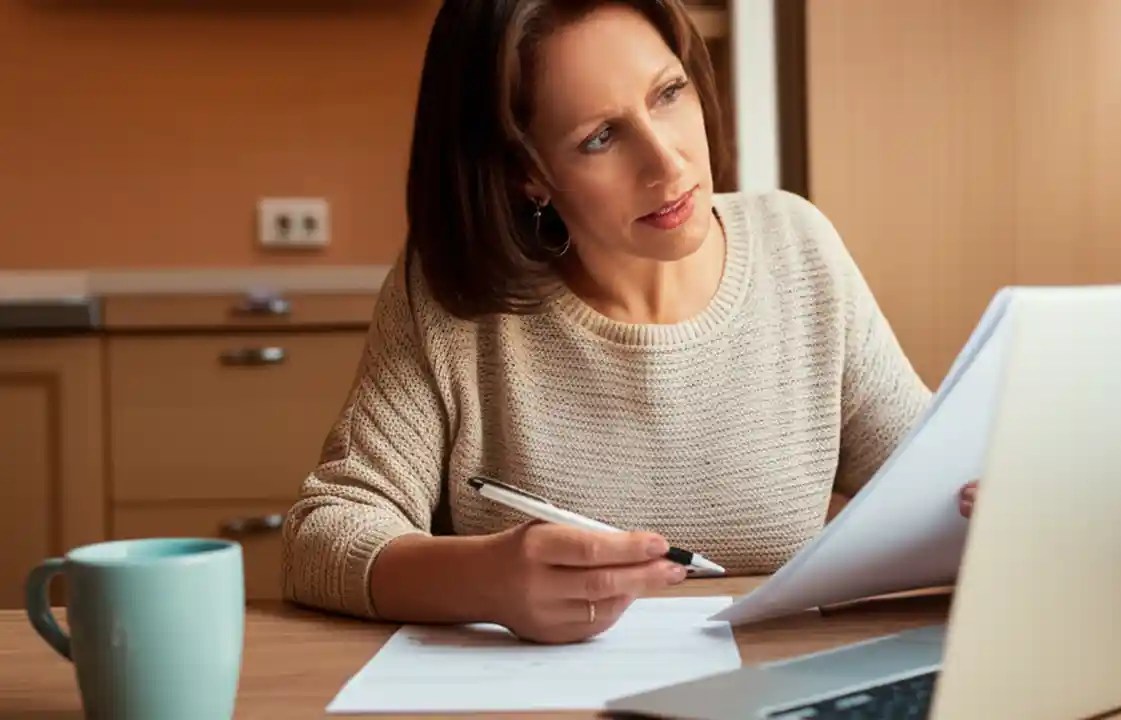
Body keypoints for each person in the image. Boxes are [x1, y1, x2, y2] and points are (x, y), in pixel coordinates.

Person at [280, 0, 976, 645]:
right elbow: (321, 537)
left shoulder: (798, 249)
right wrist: (485, 581)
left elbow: (941, 490)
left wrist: (994, 500)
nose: (666, 161)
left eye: (668, 94)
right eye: (601, 136)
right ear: (526, 173)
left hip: (765, 689)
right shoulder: (453, 299)